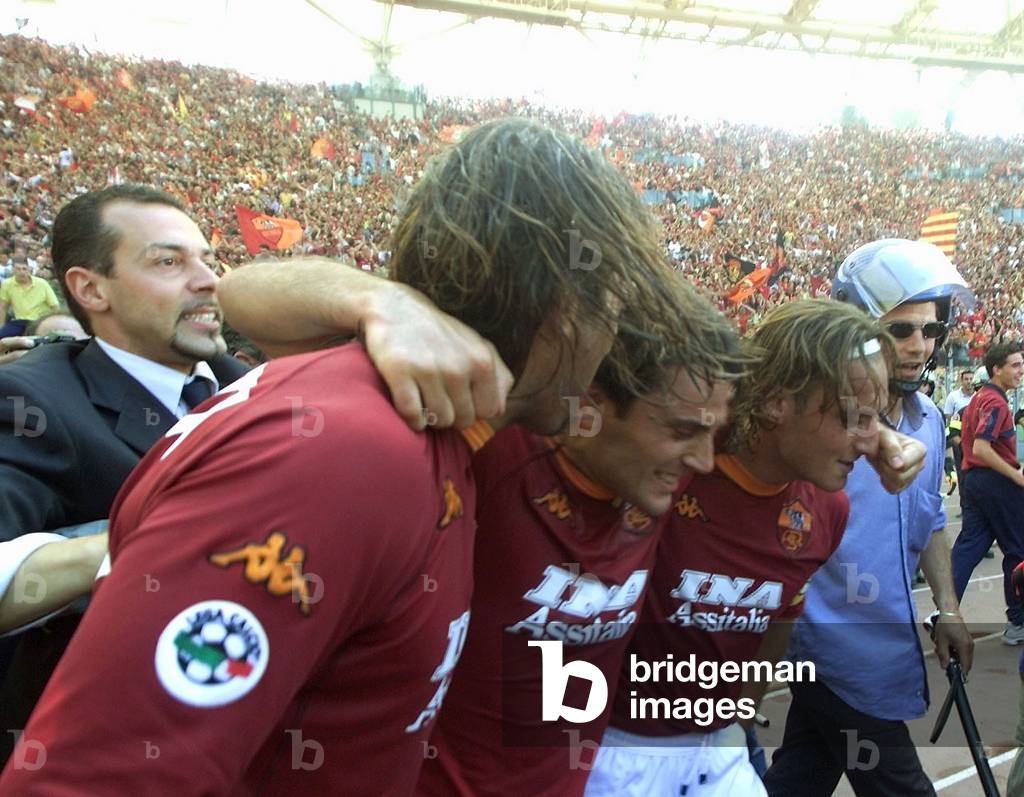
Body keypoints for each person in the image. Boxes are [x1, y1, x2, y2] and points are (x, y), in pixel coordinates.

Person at [0, 118, 696, 796]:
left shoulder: (435, 423)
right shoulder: (347, 457)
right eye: (612, 309)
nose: (612, 345)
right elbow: (94, 776)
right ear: (567, 311)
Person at [588, 299, 892, 797]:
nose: (868, 440)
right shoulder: (677, 462)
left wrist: (739, 717)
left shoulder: (829, 509)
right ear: (776, 400)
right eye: (851, 417)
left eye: (875, 421)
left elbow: (782, 615)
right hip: (609, 743)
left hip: (717, 743)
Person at [0, 183, 249, 762]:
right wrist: (165, 538)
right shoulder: (32, 400)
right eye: (168, 261)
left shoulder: (246, 381)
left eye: (206, 258)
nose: (208, 279)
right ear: (90, 288)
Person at [765, 239, 975, 797]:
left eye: (930, 331)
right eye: (900, 330)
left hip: (882, 647)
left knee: (801, 774)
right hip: (833, 649)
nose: (919, 345)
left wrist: (950, 607)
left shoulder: (928, 419)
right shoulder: (818, 421)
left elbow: (930, 520)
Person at [950, 342, 1024, 644]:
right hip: (996, 482)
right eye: (1016, 365)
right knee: (1018, 550)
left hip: (974, 481)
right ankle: (1018, 622)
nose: (1021, 371)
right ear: (997, 369)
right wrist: (1015, 475)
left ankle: (945, 612)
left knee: (969, 547)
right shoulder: (996, 403)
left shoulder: (978, 398)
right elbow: (982, 447)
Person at [0, 256, 59, 337]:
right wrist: (1, 326)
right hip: (19, 321)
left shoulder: (42, 283)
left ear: (29, 269)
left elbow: (55, 306)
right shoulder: (7, 284)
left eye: (24, 269)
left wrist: (54, 325)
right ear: (13, 270)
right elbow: (3, 307)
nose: (22, 272)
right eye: (18, 269)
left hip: (39, 321)